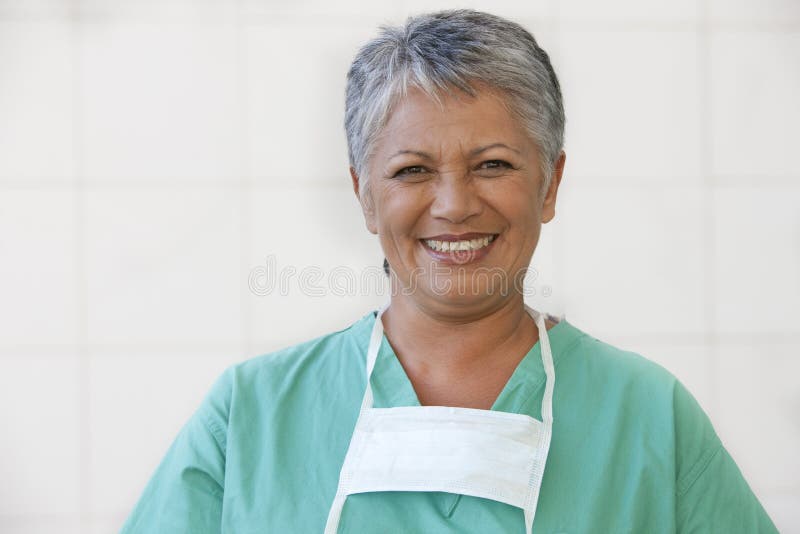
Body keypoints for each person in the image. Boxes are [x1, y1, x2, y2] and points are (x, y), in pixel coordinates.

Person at [120, 9, 778, 533]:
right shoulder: (251, 416)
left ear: (550, 185)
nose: (456, 205)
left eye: (493, 163)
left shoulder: (648, 416)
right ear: (364, 195)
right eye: (412, 171)